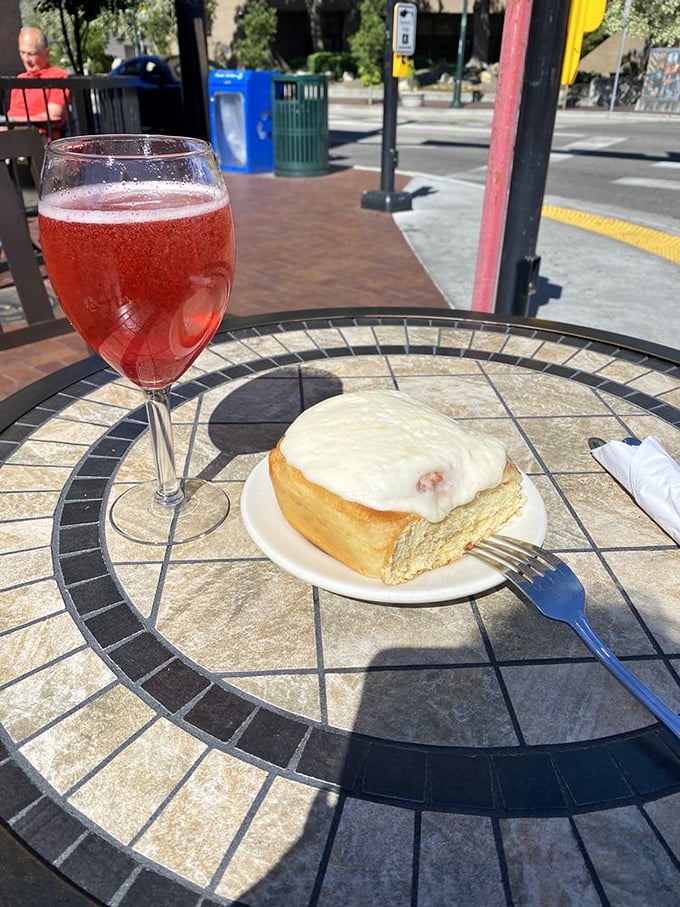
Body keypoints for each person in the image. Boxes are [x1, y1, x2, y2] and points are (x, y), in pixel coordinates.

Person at [5, 27, 69, 139]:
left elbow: (54, 115)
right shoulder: (20, 79)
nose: (26, 59)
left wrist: (17, 122)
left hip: (40, 139)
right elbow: (12, 114)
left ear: (46, 53)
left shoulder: (58, 76)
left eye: (31, 54)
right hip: (14, 137)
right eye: (22, 53)